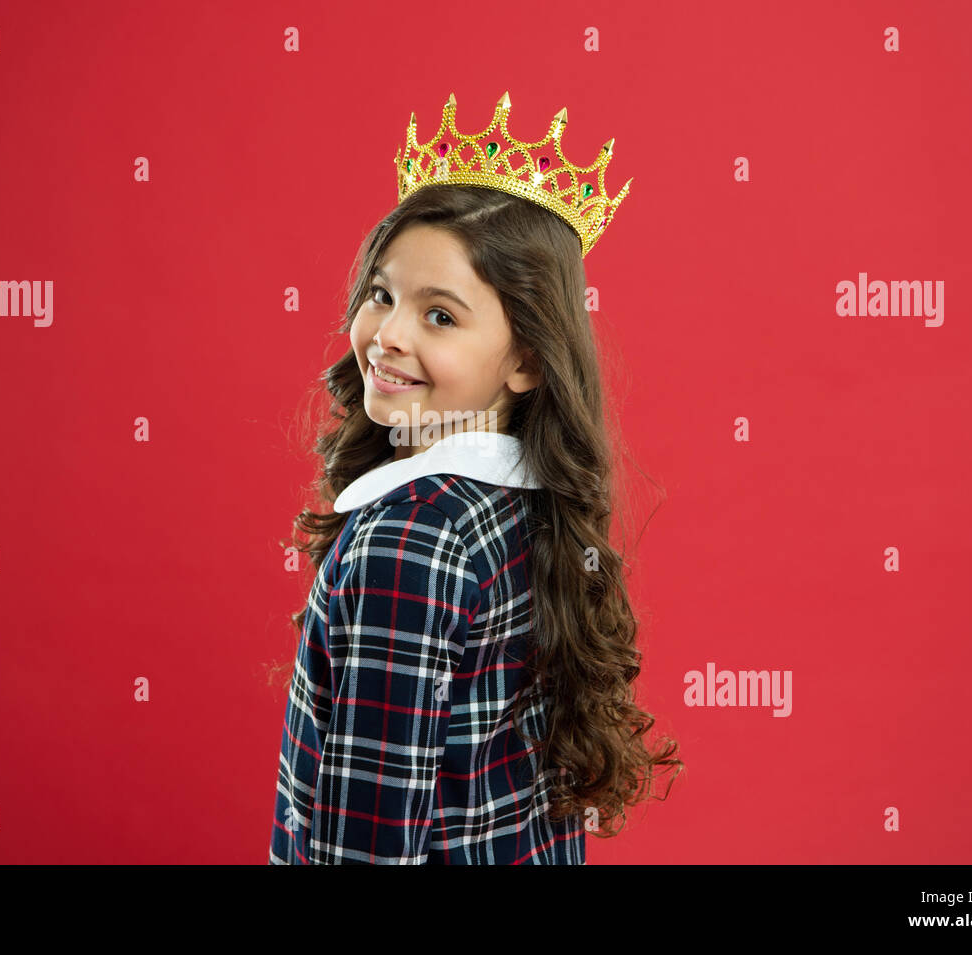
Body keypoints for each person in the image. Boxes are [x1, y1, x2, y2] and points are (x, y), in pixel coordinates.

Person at [268, 92, 682, 864]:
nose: (386, 334)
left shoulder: (408, 539)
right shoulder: (521, 501)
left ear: (527, 357)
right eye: (383, 294)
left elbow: (368, 843)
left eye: (441, 316)